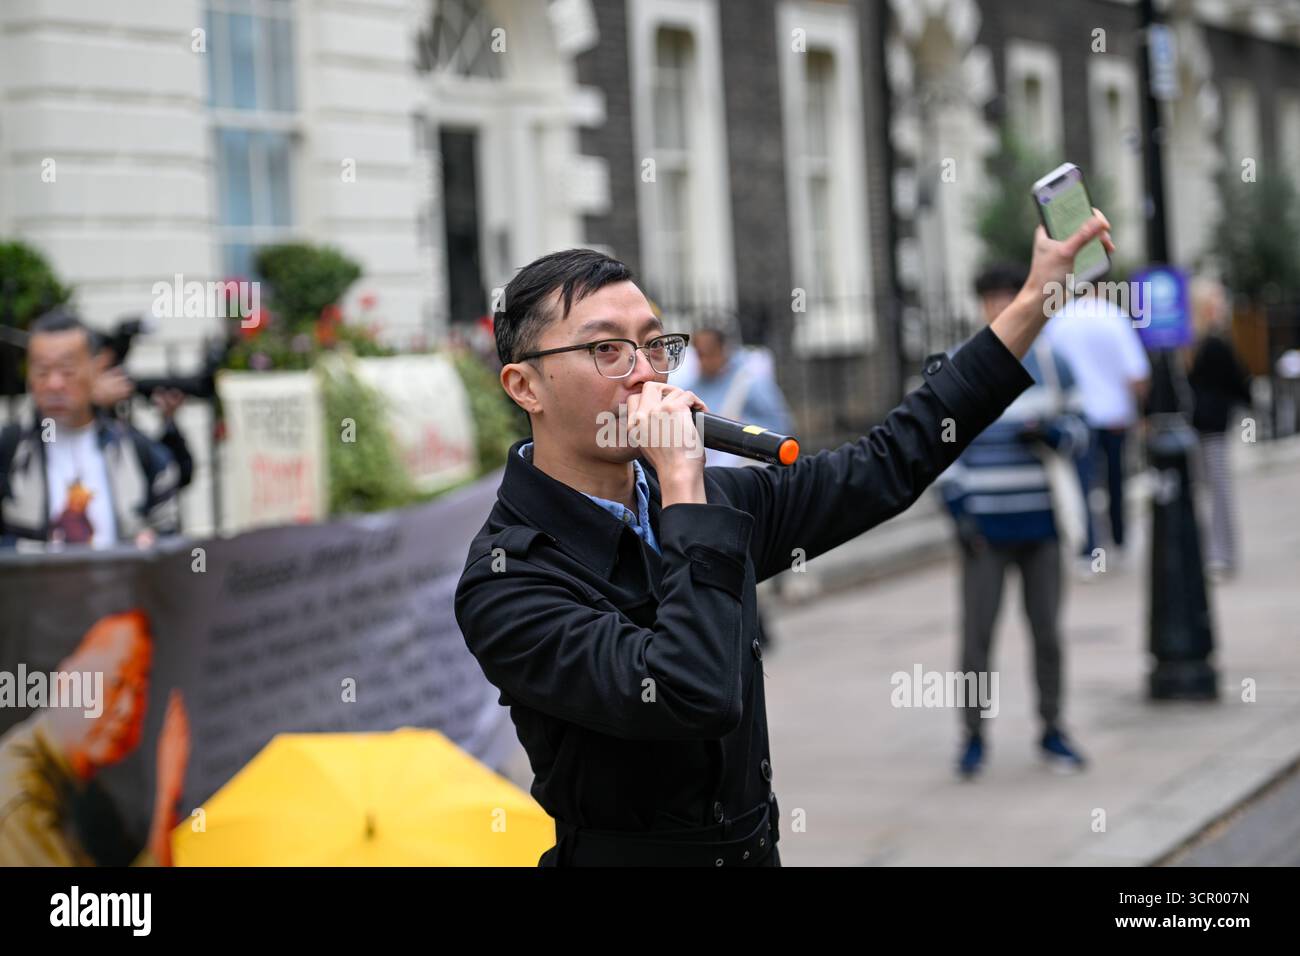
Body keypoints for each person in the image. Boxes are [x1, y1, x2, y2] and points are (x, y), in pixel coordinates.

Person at [455, 212, 1114, 867]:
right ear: (525, 386)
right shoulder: (509, 578)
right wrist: (683, 484)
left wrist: (1035, 301)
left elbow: (887, 462)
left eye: (654, 346)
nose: (646, 373)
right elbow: (690, 691)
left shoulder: (712, 500)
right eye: (606, 349)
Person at [937, 263, 1091, 779]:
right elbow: (941, 445)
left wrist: (1052, 435)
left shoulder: (1052, 362)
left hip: (1042, 524)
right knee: (976, 638)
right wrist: (959, 511)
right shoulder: (960, 364)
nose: (1001, 307)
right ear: (981, 305)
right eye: (992, 299)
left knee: (1047, 633)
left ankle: (1052, 729)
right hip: (984, 528)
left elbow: (1082, 431)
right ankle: (972, 737)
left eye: (1009, 296)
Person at [0, 611, 191, 866]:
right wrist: (167, 800)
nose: (128, 709)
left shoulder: (81, 791)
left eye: (139, 689)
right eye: (116, 682)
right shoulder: (20, 796)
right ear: (65, 680)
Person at [0, 311, 182, 548]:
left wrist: (150, 547)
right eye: (42, 371)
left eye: (67, 371)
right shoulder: (11, 449)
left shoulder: (134, 449)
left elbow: (169, 536)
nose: (54, 384)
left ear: (96, 369)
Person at [1045, 287, 1151, 570]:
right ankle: (1118, 540)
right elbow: (1137, 374)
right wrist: (1141, 411)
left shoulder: (1059, 321)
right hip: (1114, 413)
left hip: (1076, 414)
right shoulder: (1114, 317)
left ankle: (1088, 550)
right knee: (1116, 480)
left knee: (1083, 484)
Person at [1184, 277, 1253, 579]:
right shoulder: (1214, 343)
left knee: (1199, 492)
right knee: (1219, 492)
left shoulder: (1185, 344)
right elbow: (1238, 381)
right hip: (1213, 427)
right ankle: (1220, 554)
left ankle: (1204, 552)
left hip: (1190, 427)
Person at [673, 321, 794, 469]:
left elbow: (779, 425)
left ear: (722, 350)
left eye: (709, 353)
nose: (704, 361)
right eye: (700, 354)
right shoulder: (692, 387)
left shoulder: (750, 382)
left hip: (746, 470)